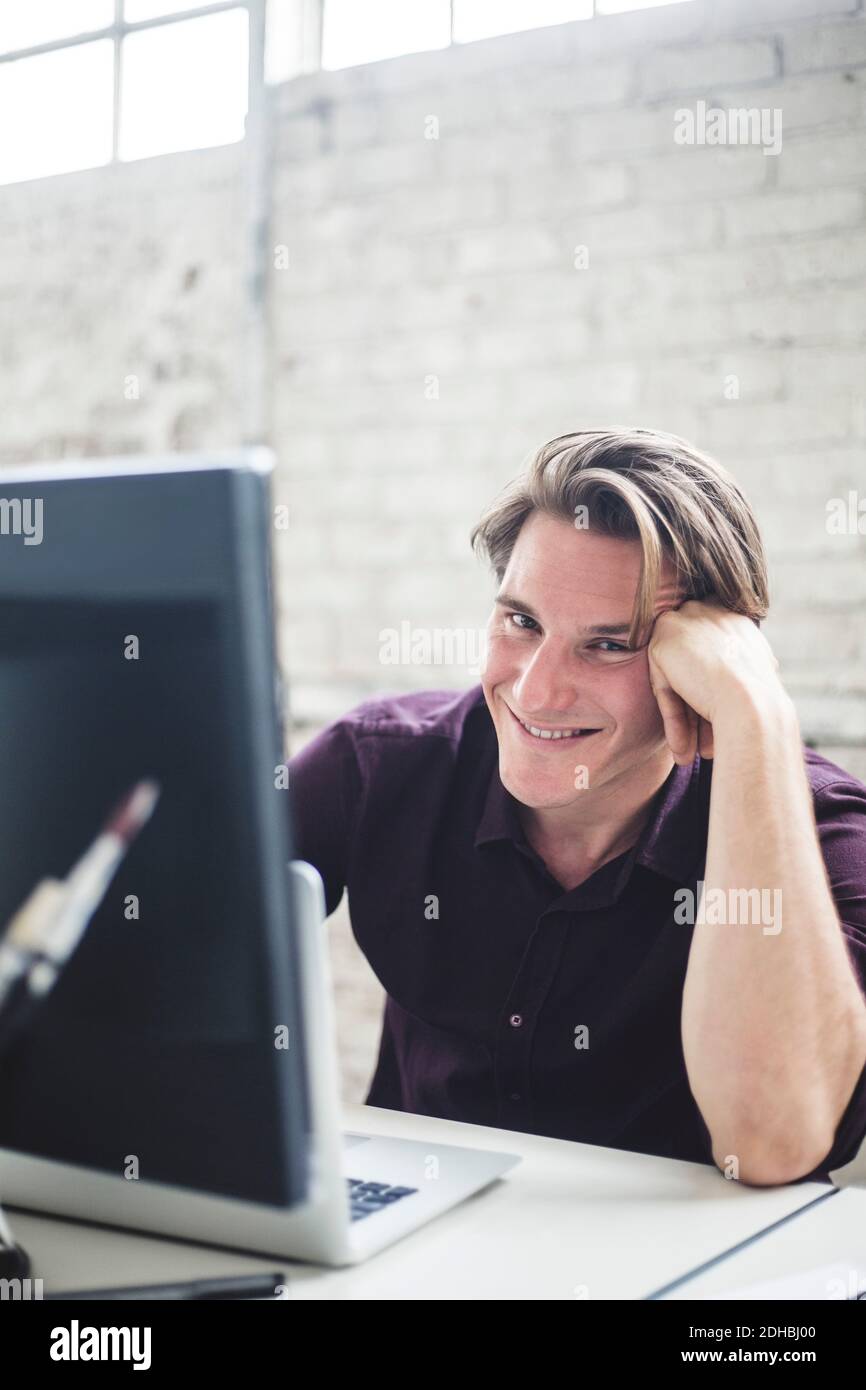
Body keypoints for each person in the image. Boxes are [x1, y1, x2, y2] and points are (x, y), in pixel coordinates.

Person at [288, 428, 866, 1186]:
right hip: (415, 1260)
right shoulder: (378, 766)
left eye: (607, 645)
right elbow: (162, 973)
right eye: (521, 622)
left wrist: (758, 715)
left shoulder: (823, 835)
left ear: (706, 661)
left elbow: (772, 1142)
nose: (535, 692)